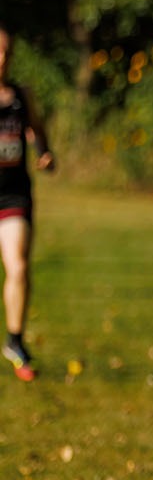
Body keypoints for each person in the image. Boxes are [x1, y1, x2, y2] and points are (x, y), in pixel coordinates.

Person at [0, 23, 56, 382]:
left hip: (14, 195)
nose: (2, 59)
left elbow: (36, 128)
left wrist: (45, 152)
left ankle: (15, 341)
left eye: (7, 52)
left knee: (18, 267)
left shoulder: (21, 95)